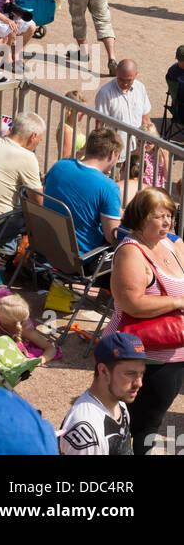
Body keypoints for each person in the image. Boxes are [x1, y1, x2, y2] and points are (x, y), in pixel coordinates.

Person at [107, 188, 184, 455]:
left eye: (170, 215)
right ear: (140, 218)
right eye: (158, 216)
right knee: (136, 424)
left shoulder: (172, 245)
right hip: (141, 353)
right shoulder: (131, 252)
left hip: (172, 349)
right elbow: (132, 303)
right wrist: (177, 302)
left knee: (149, 422)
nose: (167, 221)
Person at [59, 332, 148, 456]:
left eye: (141, 373)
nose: (139, 383)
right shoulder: (87, 432)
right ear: (104, 371)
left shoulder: (119, 403)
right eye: (130, 373)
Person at [0, 111, 45, 256]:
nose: (37, 144)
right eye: (39, 140)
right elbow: (38, 202)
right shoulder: (27, 157)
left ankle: (7, 250)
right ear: (33, 136)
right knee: (38, 216)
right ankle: (6, 254)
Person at [44, 127, 122, 259]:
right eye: (118, 157)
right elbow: (112, 236)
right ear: (112, 154)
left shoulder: (60, 165)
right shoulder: (109, 187)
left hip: (45, 244)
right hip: (80, 257)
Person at [95, 59, 152, 135]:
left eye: (129, 80)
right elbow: (100, 124)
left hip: (137, 141)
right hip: (115, 142)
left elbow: (145, 119)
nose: (125, 84)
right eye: (121, 79)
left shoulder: (140, 88)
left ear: (136, 75)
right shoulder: (105, 92)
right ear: (116, 73)